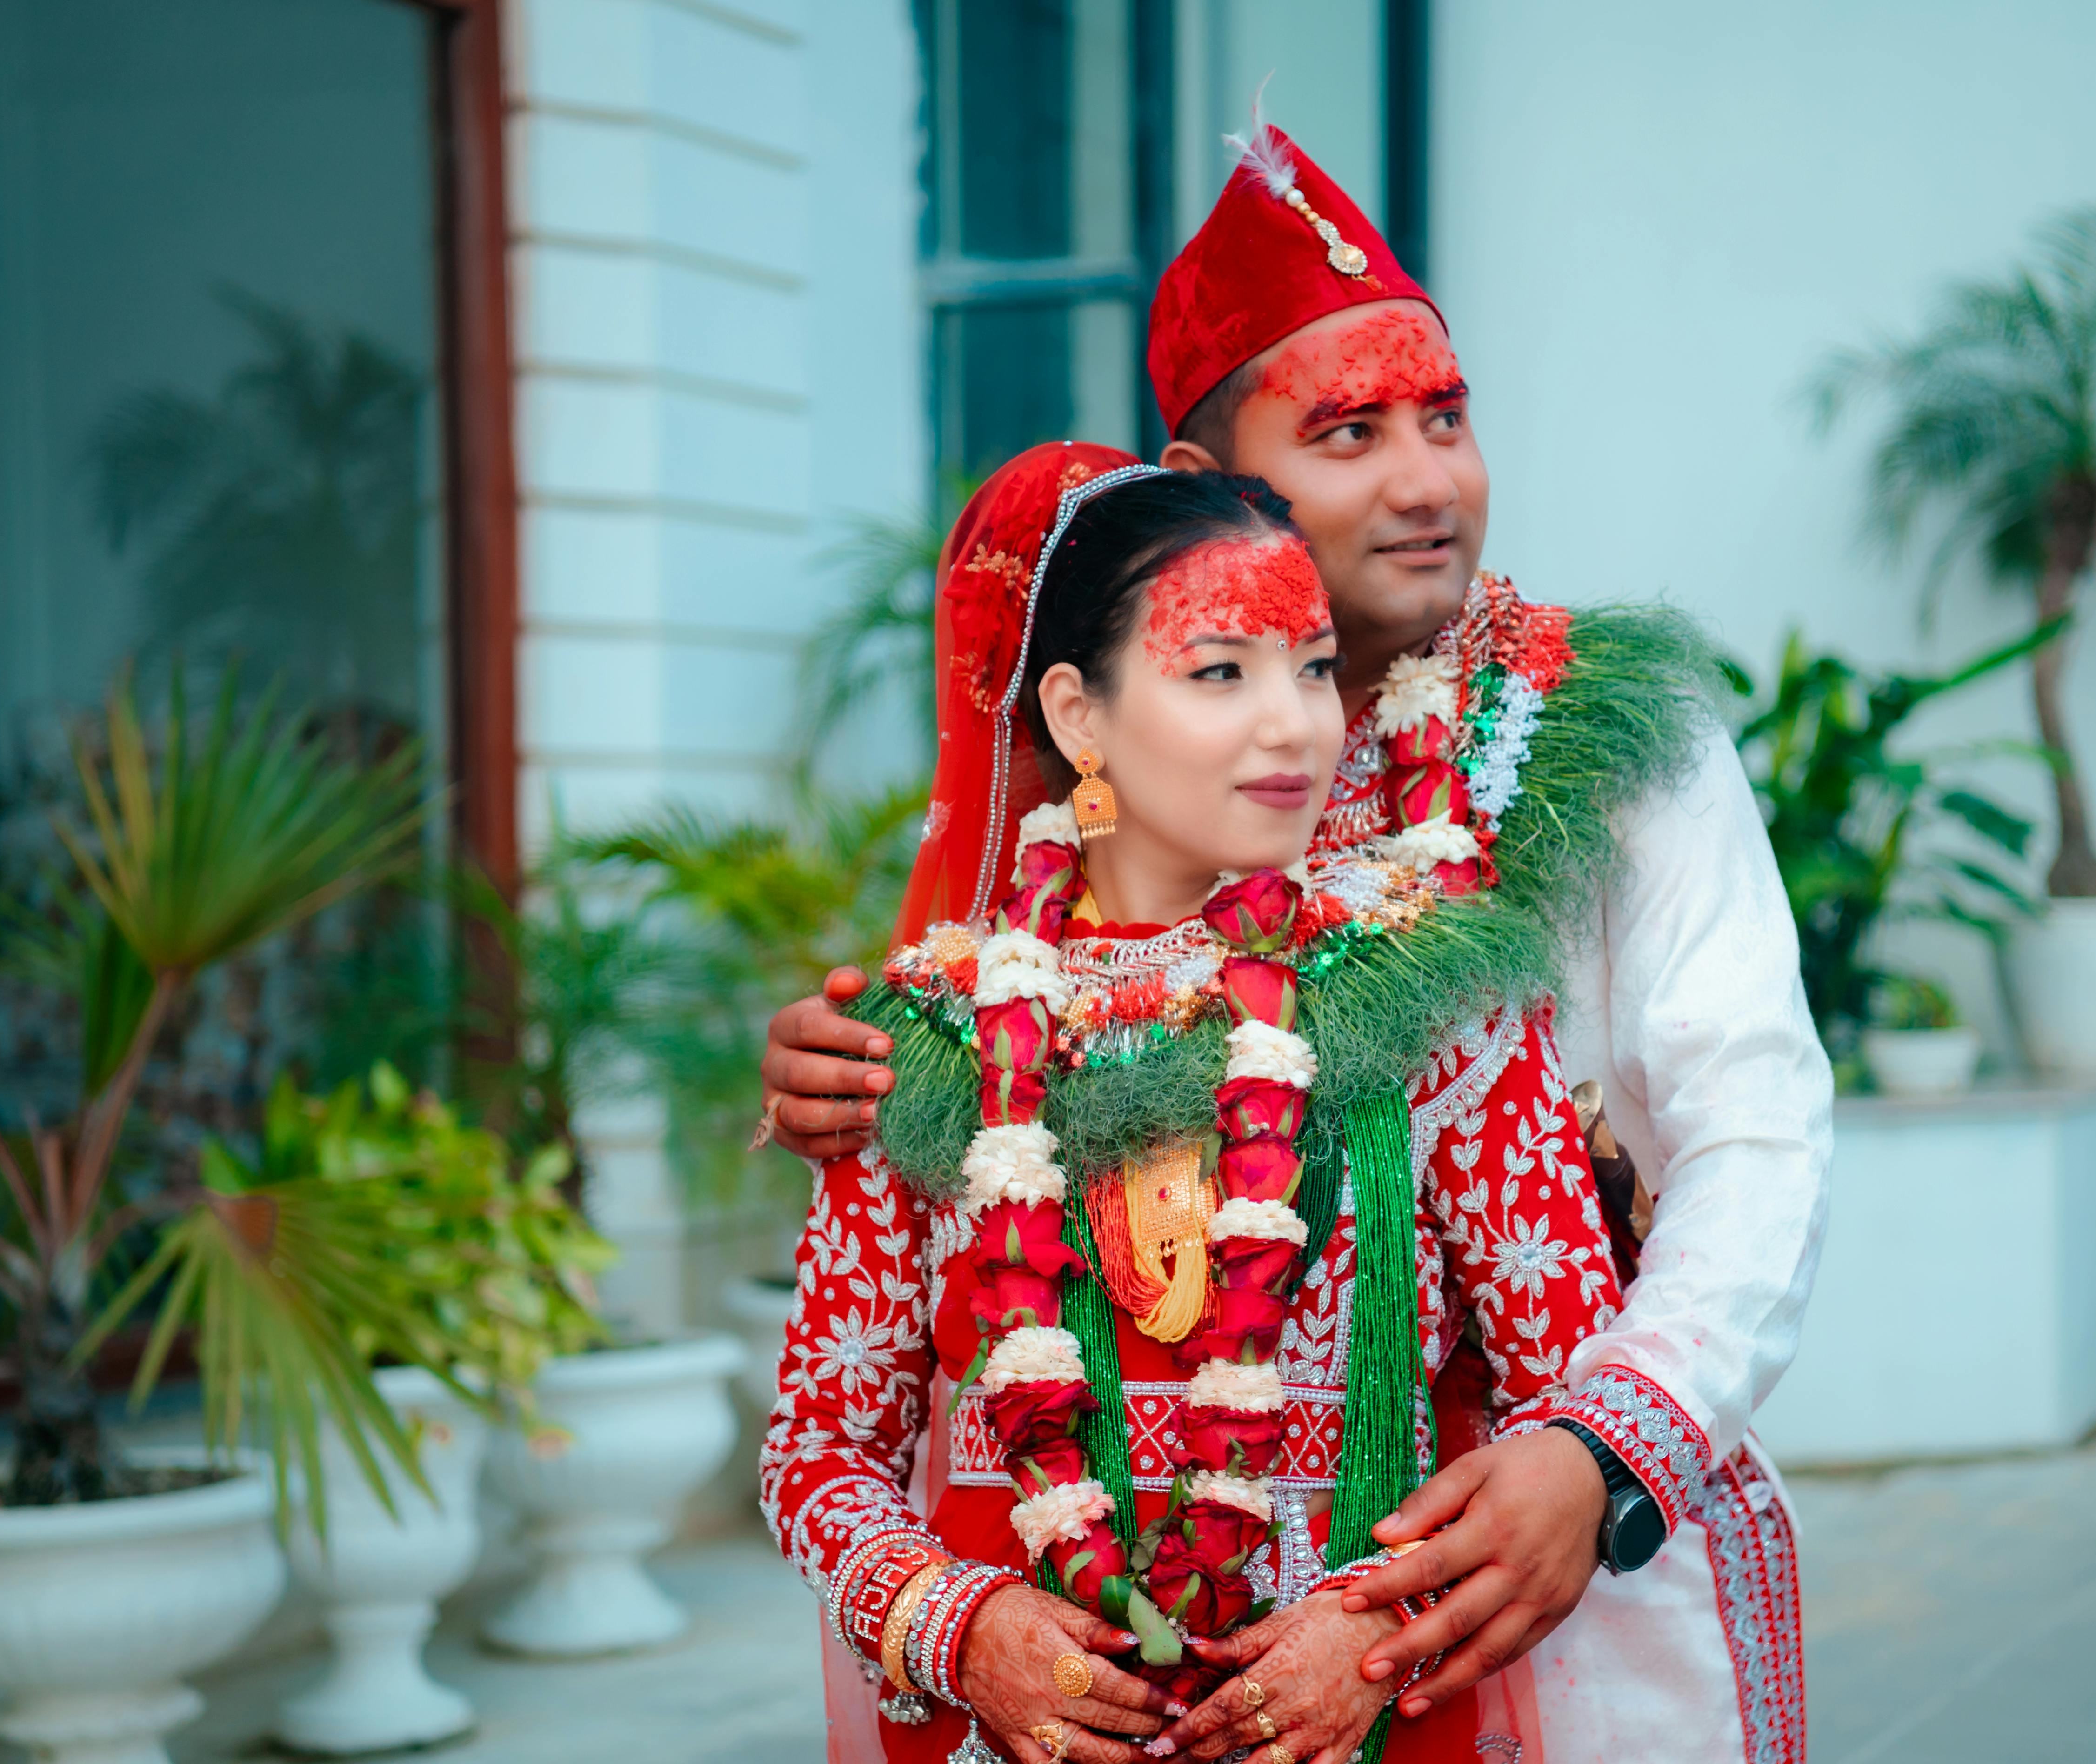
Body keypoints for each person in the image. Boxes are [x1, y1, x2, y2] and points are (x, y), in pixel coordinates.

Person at [764, 128, 1831, 1764]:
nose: (1427, 481)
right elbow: (849, 1389)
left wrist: (1600, 1455)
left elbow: (1754, 1130)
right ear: (1215, 471)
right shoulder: (1059, 887)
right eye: (1350, 432)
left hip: (1526, 1559)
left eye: (1448, 419)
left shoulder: (1595, 743)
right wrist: (852, 1071)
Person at [763, 447, 1690, 1764]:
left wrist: (1379, 1635)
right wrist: (962, 1630)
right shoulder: (931, 1043)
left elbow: (1572, 1401)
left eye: (1313, 667)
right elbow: (818, 1448)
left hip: (1368, 1724)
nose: (1295, 724)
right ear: (1079, 717)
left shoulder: (1431, 995)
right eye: (1222, 673)